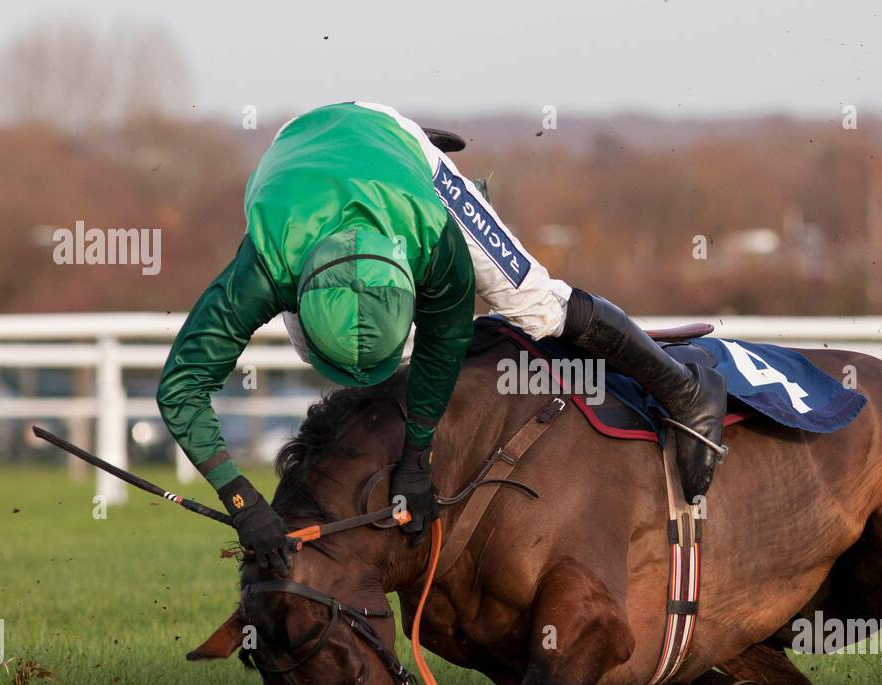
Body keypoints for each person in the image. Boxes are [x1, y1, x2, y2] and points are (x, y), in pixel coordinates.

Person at [157, 102, 725, 573]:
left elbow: (439, 347)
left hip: (399, 169)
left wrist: (417, 458)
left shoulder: (437, 242)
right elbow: (180, 386)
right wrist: (241, 500)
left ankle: (683, 388)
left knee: (534, 304)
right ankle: (387, 155)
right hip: (298, 152)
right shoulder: (263, 265)